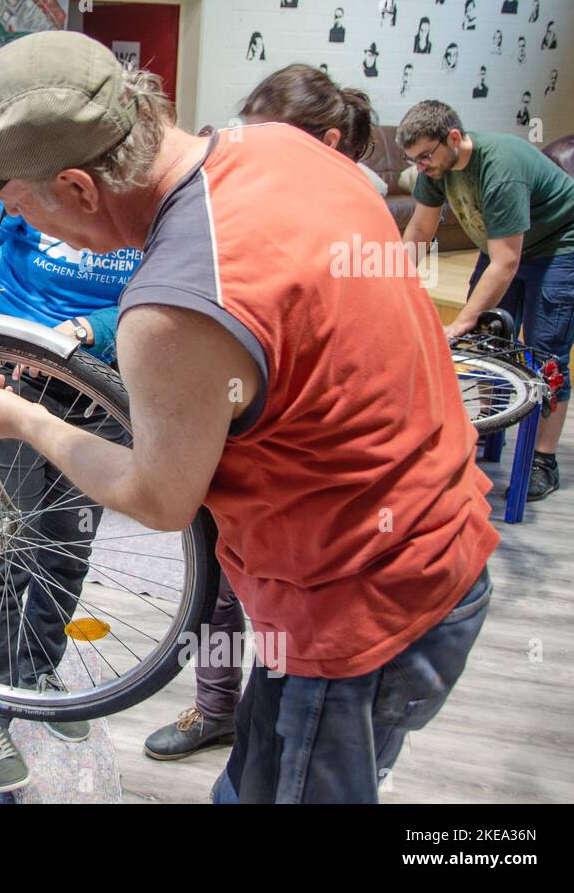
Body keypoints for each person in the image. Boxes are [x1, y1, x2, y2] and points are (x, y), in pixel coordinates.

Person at [0, 30, 499, 804]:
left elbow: (161, 499)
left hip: (357, 609)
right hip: (438, 550)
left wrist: (24, 420)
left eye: (20, 207)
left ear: (81, 189)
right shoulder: (284, 150)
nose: (25, 225)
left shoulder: (170, 311)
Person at [142, 62, 389, 761]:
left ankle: (271, 716)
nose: (245, 150)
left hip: (304, 465)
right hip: (238, 423)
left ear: (327, 142)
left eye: (265, 136)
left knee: (278, 599)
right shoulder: (232, 189)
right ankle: (217, 708)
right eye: (244, 131)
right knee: (221, 584)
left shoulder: (354, 203)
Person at [0, 198, 142, 790]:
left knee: (69, 549)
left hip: (99, 389)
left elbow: (149, 297)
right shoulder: (30, 192)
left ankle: (38, 669)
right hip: (14, 384)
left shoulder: (140, 207)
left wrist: (85, 330)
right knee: (4, 551)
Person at [400, 100, 574, 501]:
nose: (421, 167)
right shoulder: (435, 168)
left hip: (562, 244)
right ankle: (490, 426)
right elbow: (418, 232)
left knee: (546, 356)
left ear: (454, 137)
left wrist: (462, 321)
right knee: (488, 344)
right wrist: (393, 286)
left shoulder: (499, 169)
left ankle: (543, 461)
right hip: (504, 241)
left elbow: (506, 262)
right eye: (414, 160)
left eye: (426, 157)